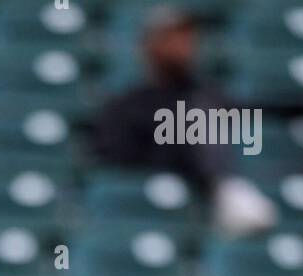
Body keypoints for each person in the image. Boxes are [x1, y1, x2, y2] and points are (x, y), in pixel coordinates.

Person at [91, 5, 277, 237]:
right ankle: (227, 191)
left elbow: (255, 110)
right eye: (175, 36)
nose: (186, 45)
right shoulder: (128, 105)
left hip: (208, 185)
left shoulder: (206, 94)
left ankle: (229, 191)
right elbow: (113, 160)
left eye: (189, 37)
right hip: (154, 195)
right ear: (151, 44)